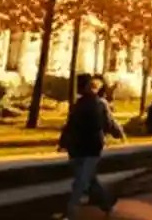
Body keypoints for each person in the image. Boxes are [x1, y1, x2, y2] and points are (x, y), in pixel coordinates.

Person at [58, 75, 125, 219]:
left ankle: (70, 211)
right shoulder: (80, 104)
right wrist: (63, 142)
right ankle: (107, 202)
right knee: (88, 179)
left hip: (88, 147)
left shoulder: (98, 104)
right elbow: (70, 125)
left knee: (81, 180)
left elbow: (108, 122)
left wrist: (118, 133)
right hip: (81, 147)